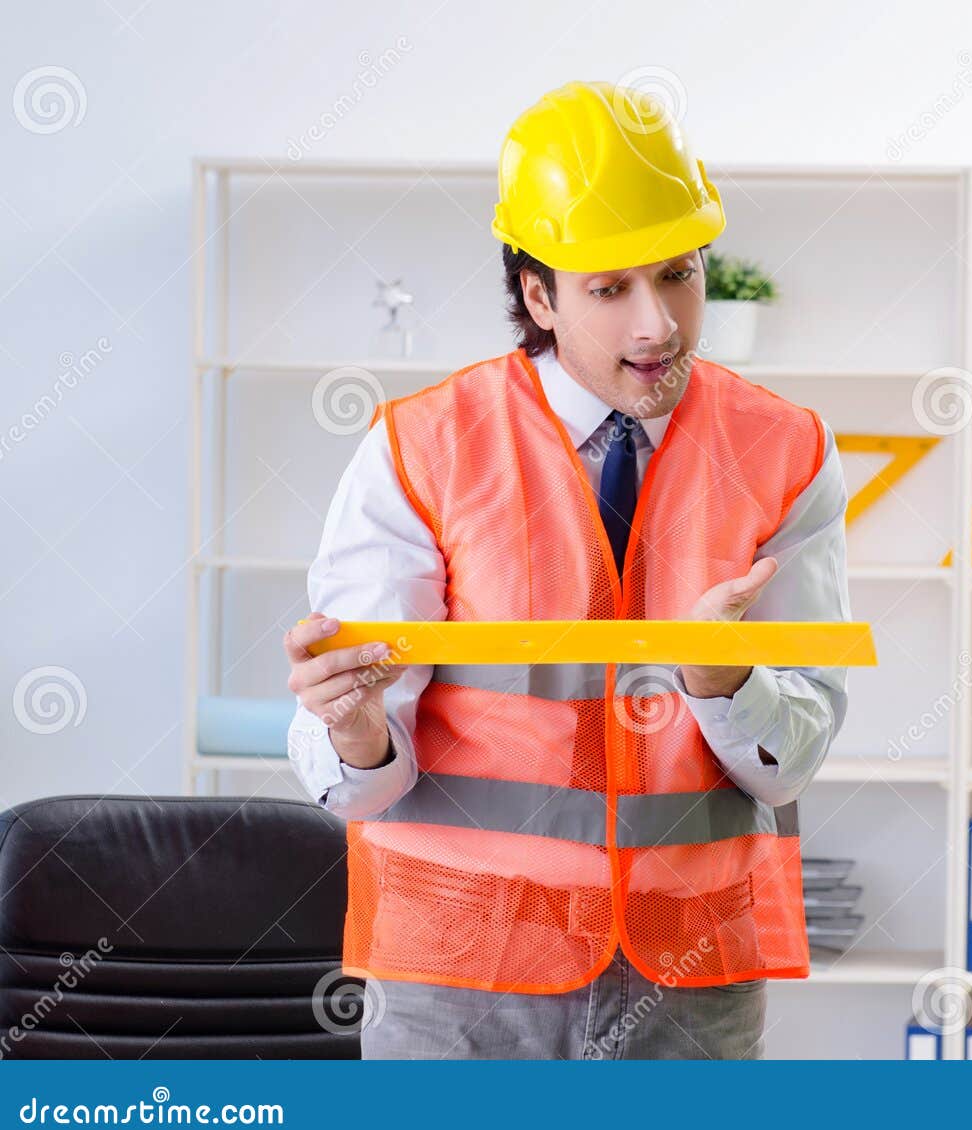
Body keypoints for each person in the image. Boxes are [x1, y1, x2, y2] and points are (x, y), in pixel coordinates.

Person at [283, 80, 850, 1059]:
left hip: (689, 983)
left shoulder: (784, 449)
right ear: (540, 295)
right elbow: (355, 784)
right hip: (462, 979)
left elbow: (792, 758)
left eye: (676, 275)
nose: (656, 324)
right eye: (609, 289)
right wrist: (359, 730)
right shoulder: (421, 448)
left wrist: (728, 684)